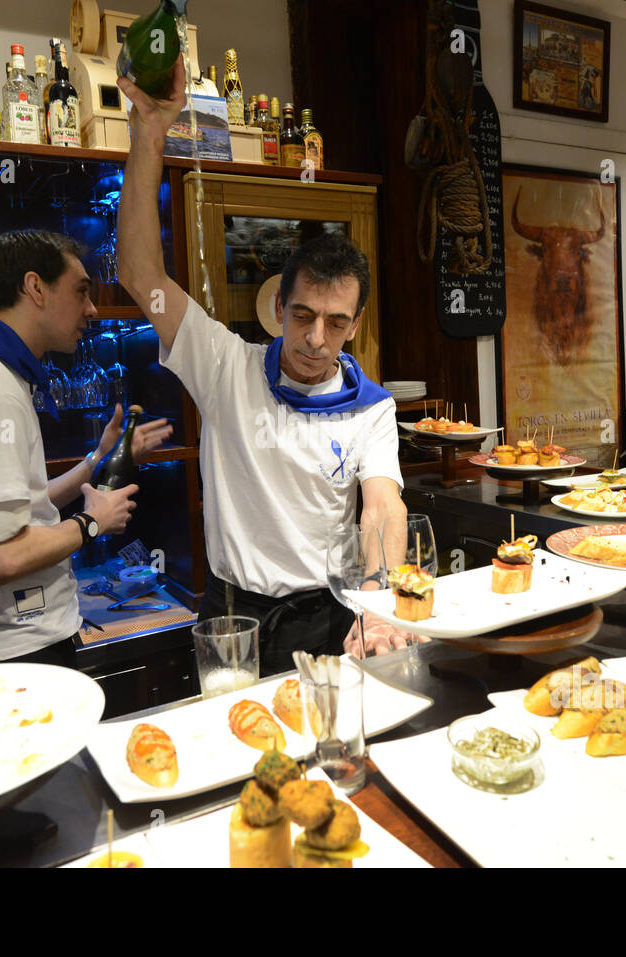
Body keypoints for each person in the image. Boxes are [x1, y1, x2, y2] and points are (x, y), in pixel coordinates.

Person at [116, 56, 410, 674]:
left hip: (333, 614)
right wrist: (148, 134)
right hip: (234, 615)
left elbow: (382, 506)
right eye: (302, 316)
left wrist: (380, 600)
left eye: (335, 323)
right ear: (278, 306)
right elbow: (141, 275)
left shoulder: (372, 407)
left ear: (355, 326)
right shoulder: (225, 364)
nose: (314, 339)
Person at [0, 230, 172, 668]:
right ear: (36, 288)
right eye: (81, 291)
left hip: (8, 642)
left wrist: (100, 458)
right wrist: (93, 522)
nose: (92, 309)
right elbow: (3, 555)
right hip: (10, 651)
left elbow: (20, 508)